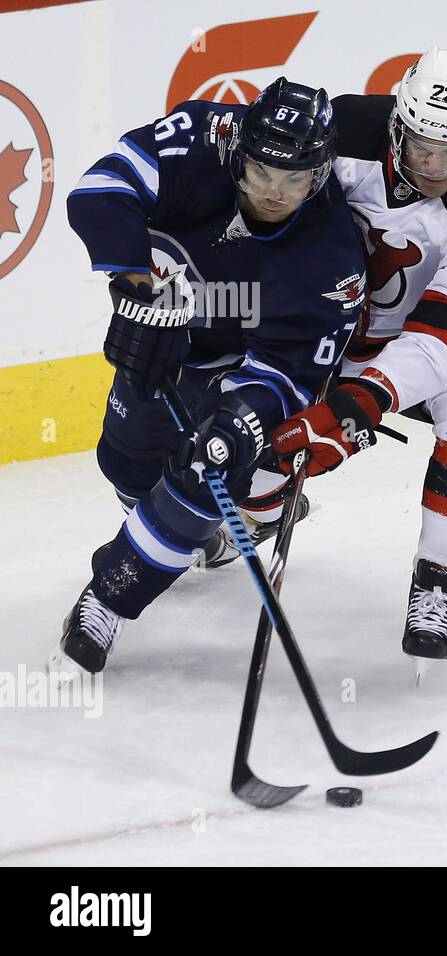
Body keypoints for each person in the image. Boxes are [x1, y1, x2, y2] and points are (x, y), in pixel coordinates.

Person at [58, 78, 367, 673]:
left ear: (321, 175)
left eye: (294, 180)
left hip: (243, 363)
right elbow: (101, 189)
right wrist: (137, 284)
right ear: (238, 154)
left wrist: (245, 415)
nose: (273, 193)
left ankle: (113, 596)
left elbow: (293, 369)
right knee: (125, 464)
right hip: (164, 332)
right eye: (260, 173)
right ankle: (212, 527)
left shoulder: (330, 255)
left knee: (214, 456)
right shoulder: (201, 140)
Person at [271, 46, 447, 663]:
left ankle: (437, 582)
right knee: (264, 460)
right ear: (397, 123)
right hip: (318, 333)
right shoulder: (336, 134)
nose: (436, 165)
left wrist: (363, 399)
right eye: (422, 146)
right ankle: (244, 524)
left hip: (419, 347)